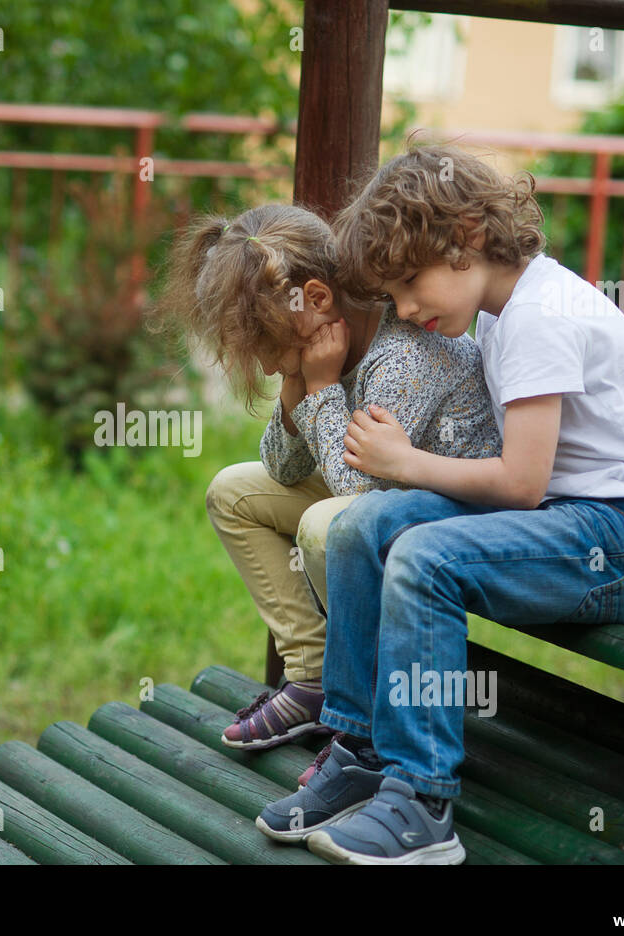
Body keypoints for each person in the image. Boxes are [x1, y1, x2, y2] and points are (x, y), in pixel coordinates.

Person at [257, 145, 624, 863]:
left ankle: (421, 801)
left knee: (425, 558)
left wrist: (404, 462)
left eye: (409, 283)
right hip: (568, 516)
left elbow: (521, 483)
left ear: (465, 235)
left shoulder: (538, 316)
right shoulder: (502, 314)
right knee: (364, 526)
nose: (403, 309)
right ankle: (362, 746)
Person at [155, 203, 500, 764]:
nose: (268, 369)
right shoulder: (324, 347)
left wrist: (318, 390)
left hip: (451, 514)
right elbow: (285, 469)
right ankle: (314, 678)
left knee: (325, 523)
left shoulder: (403, 356)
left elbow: (357, 504)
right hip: (383, 500)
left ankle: (361, 709)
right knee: (232, 492)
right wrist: (299, 394)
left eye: (270, 349)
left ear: (315, 299)